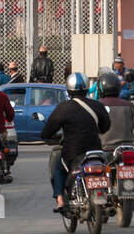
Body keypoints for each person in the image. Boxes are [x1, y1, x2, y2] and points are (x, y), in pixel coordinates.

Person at [40, 73, 111, 212]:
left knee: (58, 165)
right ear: (86, 88)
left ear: (68, 90)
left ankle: (60, 199)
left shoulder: (63, 108)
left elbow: (48, 131)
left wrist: (46, 136)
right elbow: (106, 127)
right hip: (95, 151)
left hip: (73, 153)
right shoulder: (98, 105)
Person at [97, 71, 134, 149]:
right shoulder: (130, 106)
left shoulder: (96, 106)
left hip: (103, 148)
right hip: (126, 148)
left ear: (100, 88)